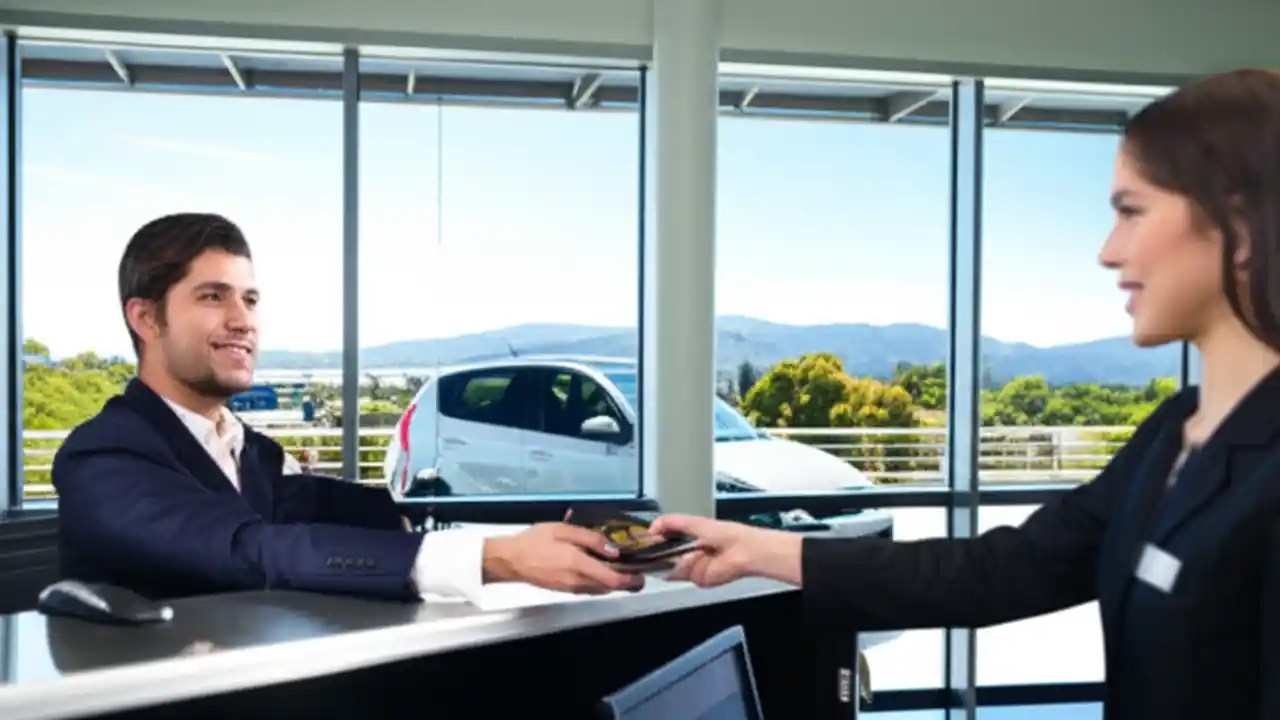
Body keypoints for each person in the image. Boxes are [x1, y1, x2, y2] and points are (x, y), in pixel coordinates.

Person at [650, 68, 1280, 720]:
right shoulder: (1175, 431)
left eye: (1130, 212)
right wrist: (757, 550)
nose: (1108, 251)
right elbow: (1002, 570)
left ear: (1239, 226)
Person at [52, 212, 642, 602]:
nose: (243, 321)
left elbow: (362, 510)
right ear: (145, 317)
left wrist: (540, 532)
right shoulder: (103, 457)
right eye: (212, 297)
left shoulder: (247, 450)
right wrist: (499, 559)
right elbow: (250, 547)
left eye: (250, 299)